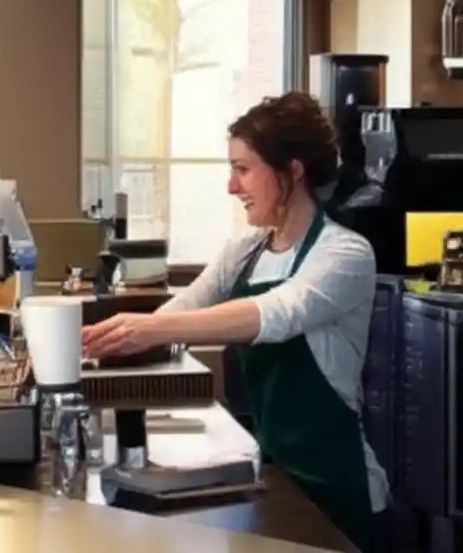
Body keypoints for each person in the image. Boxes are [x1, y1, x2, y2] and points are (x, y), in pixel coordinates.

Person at [82, 92, 390, 552]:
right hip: (272, 478)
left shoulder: (345, 254)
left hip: (338, 492)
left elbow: (275, 314)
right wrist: (94, 344)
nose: (231, 186)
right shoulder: (245, 251)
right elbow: (184, 310)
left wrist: (148, 329)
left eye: (243, 169)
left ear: (292, 171)